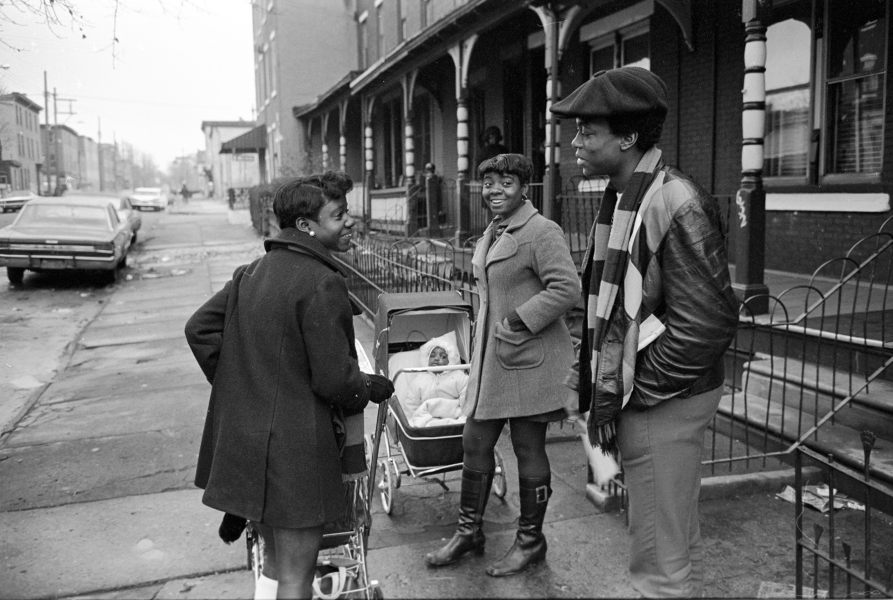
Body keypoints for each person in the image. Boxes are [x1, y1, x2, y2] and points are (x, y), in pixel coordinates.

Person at [549, 66, 739, 597]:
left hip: (663, 398)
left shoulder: (671, 200)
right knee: (670, 533)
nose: (576, 141)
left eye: (588, 130)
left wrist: (631, 392)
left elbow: (707, 324)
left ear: (629, 137)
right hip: (656, 393)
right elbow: (608, 313)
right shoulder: (629, 195)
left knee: (657, 558)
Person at [184, 171, 395, 600]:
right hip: (294, 454)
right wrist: (371, 387)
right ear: (307, 227)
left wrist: (241, 385)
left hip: (248, 446)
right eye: (339, 215)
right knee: (297, 578)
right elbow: (335, 379)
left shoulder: (251, 273)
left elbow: (198, 329)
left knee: (276, 566)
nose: (350, 222)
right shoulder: (323, 281)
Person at [424, 153, 580, 577]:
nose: (495, 190)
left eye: (506, 182)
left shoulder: (540, 231)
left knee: (529, 448)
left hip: (529, 359)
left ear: (524, 187)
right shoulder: (494, 232)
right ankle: (469, 533)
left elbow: (567, 287)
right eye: (488, 182)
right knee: (475, 441)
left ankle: (531, 542)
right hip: (494, 359)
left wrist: (516, 319)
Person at [405, 333, 468, 428]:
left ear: (450, 360)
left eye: (443, 356)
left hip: (453, 421)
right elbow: (411, 406)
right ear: (426, 359)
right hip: (426, 422)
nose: (437, 359)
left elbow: (466, 401)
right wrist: (411, 425)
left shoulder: (459, 377)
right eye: (432, 355)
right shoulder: (419, 381)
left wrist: (463, 420)